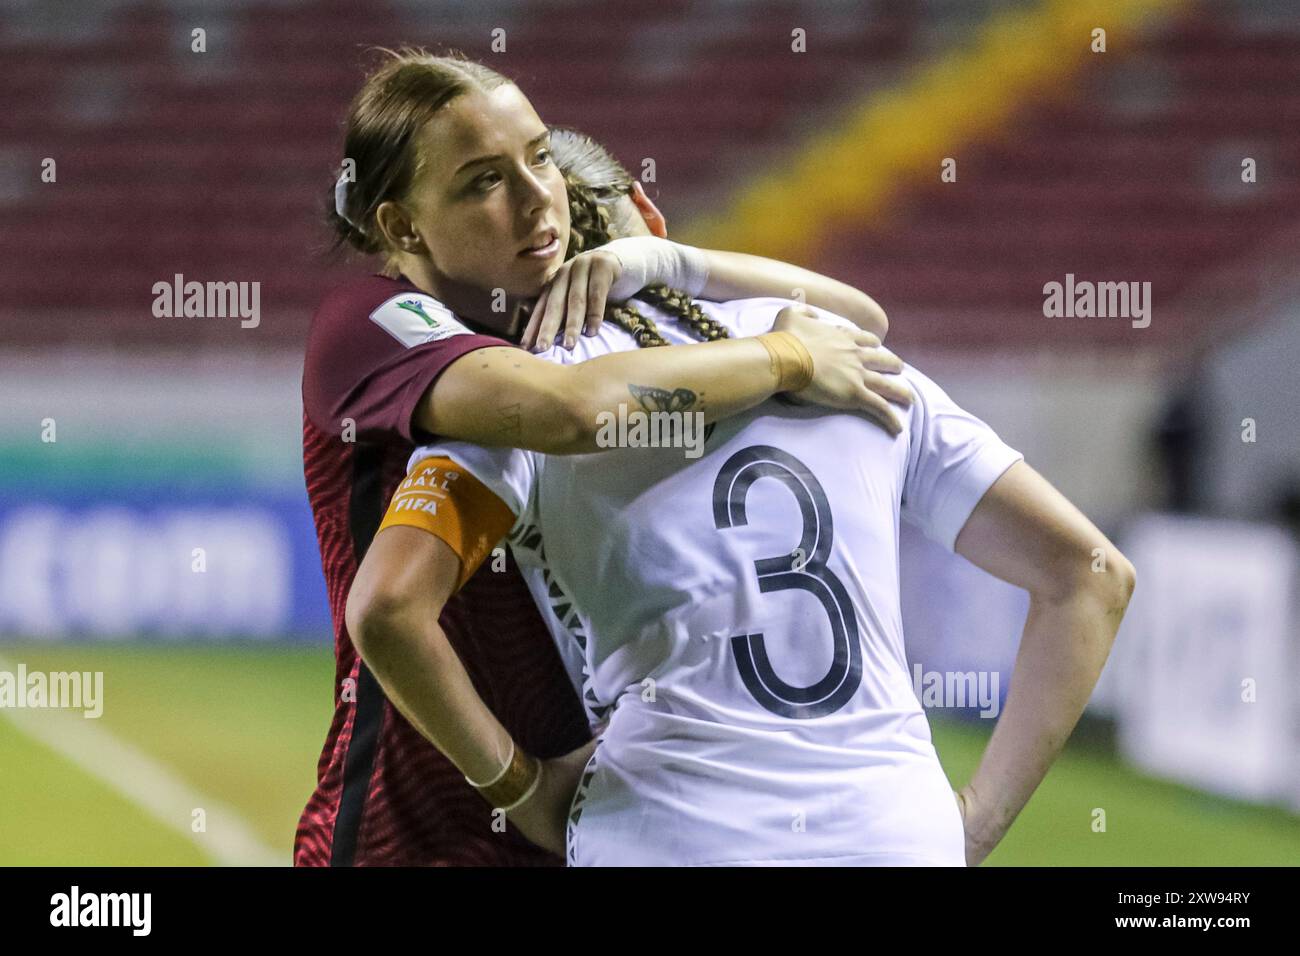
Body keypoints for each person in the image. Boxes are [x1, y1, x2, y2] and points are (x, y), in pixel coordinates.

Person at [350, 128, 1138, 866]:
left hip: (666, 830)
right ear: (648, 222)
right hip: (894, 832)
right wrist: (968, 826)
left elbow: (386, 610)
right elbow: (1091, 575)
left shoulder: (535, 403)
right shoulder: (850, 356)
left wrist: (519, 789)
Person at [297, 49, 908, 866]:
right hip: (415, 832)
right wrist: (784, 360)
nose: (534, 199)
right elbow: (572, 412)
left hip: (601, 826)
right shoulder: (370, 324)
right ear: (403, 226)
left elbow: (861, 319)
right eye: (482, 181)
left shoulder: (555, 333)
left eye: (540, 157)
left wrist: (667, 260)